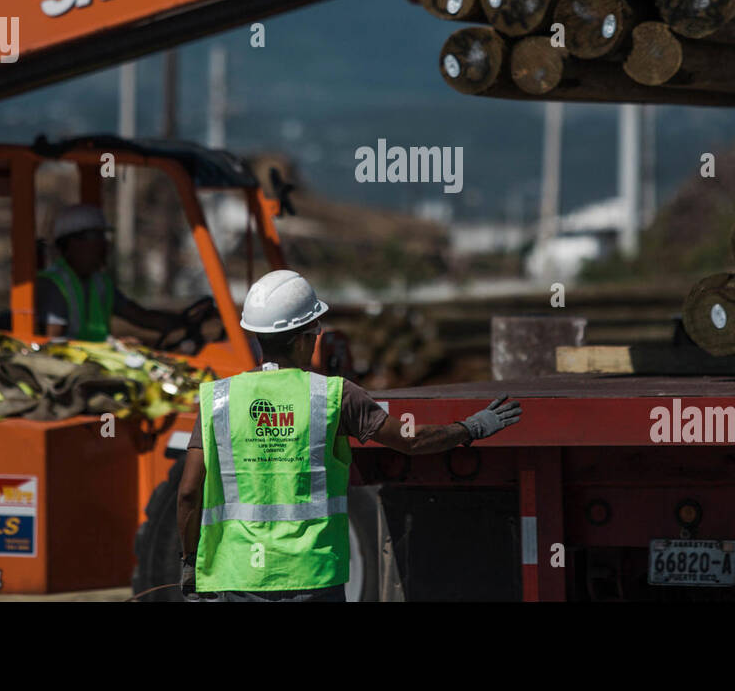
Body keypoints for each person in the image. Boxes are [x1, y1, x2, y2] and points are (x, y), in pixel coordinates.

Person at [176, 269, 521, 602]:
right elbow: (411, 440)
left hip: (241, 575)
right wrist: (471, 427)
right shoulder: (334, 395)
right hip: (312, 574)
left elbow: (189, 492)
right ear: (303, 338)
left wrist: (191, 561)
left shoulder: (216, 400)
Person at [36, 203, 186, 340]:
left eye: (103, 236)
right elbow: (53, 344)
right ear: (71, 243)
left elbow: (140, 316)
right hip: (70, 367)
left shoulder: (100, 283)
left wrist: (183, 321)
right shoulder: (54, 284)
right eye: (95, 237)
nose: (104, 244)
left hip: (95, 363)